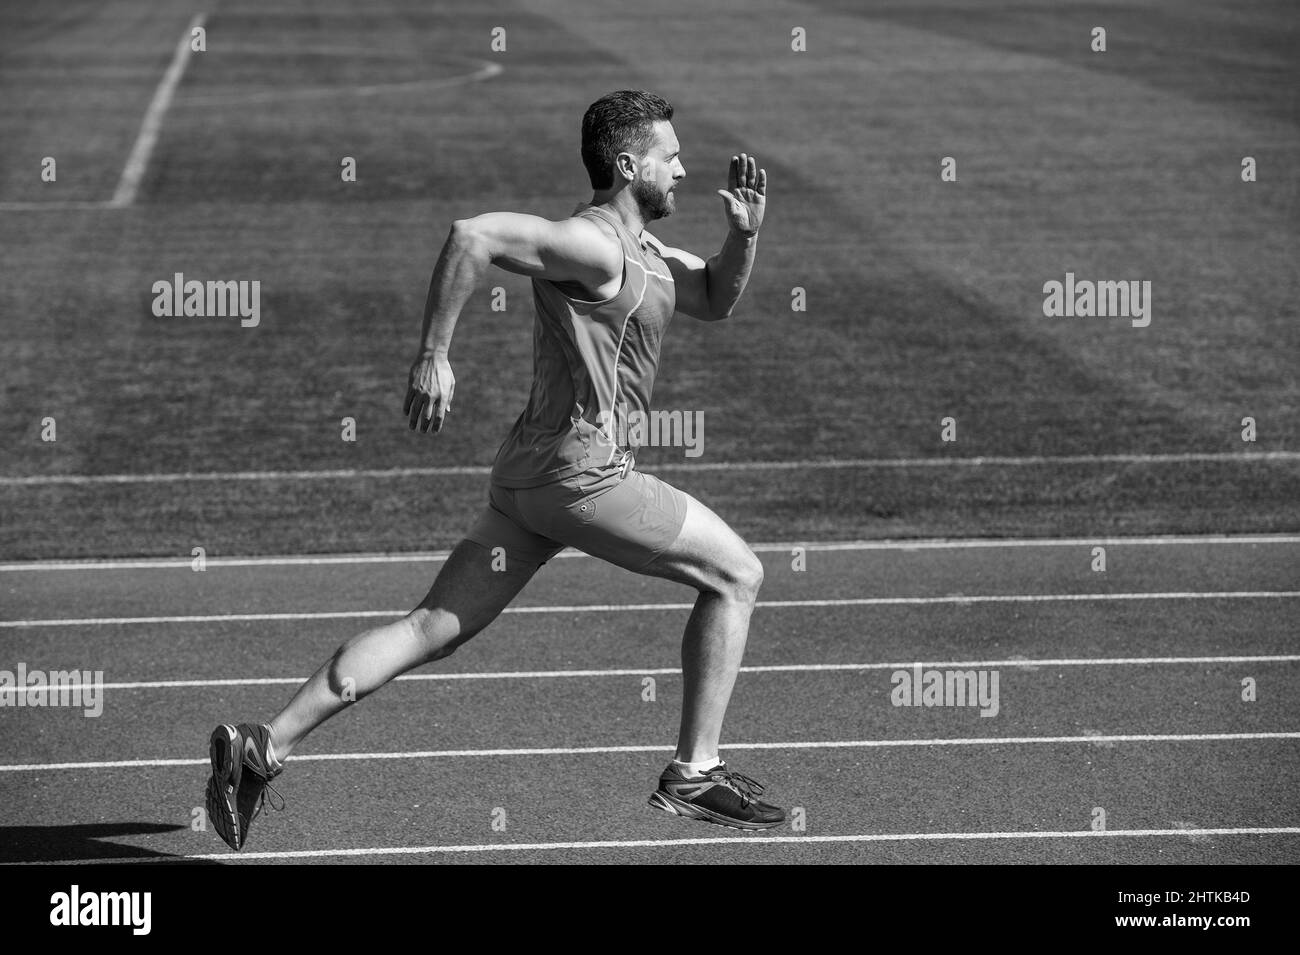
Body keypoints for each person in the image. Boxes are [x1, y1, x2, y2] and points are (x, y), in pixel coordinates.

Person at [205, 90, 784, 851]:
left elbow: (713, 297)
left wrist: (742, 238)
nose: (683, 167)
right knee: (737, 574)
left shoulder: (646, 253)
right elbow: (471, 235)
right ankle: (693, 772)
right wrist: (434, 354)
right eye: (669, 155)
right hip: (585, 479)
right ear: (626, 163)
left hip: (528, 483)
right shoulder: (594, 245)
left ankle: (261, 745)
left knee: (429, 627)